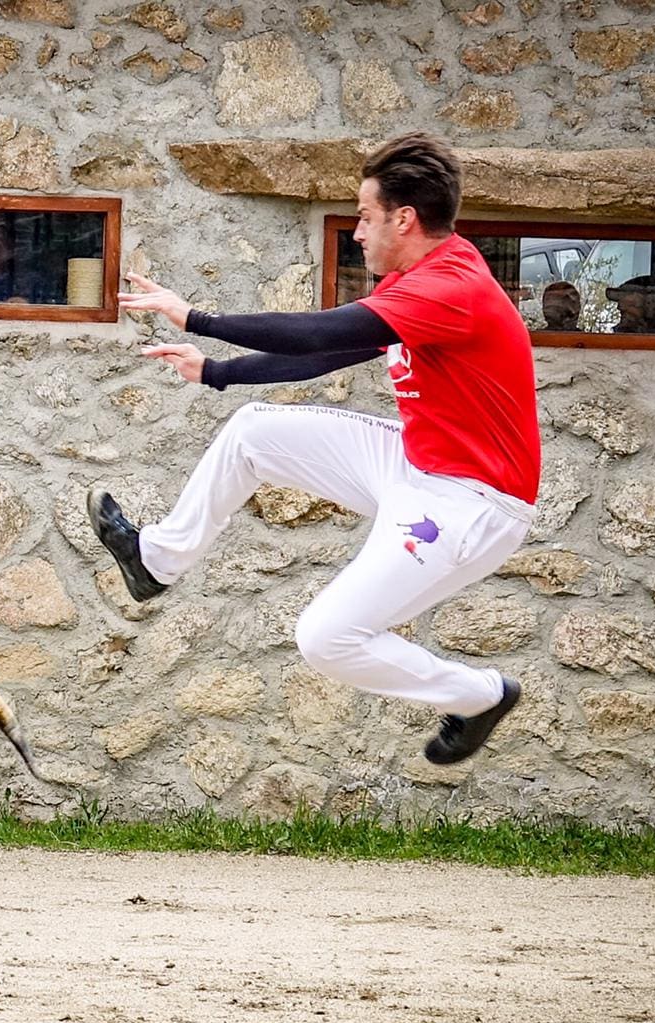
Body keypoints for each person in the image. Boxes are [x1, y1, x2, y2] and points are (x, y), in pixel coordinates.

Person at [88, 132, 540, 766]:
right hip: (417, 464)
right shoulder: (421, 280)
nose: (357, 231)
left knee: (326, 638)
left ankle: (481, 694)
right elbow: (332, 352)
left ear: (403, 218)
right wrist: (216, 370)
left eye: (363, 215)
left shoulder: (451, 287)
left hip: (473, 503)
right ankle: (155, 561)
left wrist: (198, 318)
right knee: (253, 431)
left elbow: (321, 330)